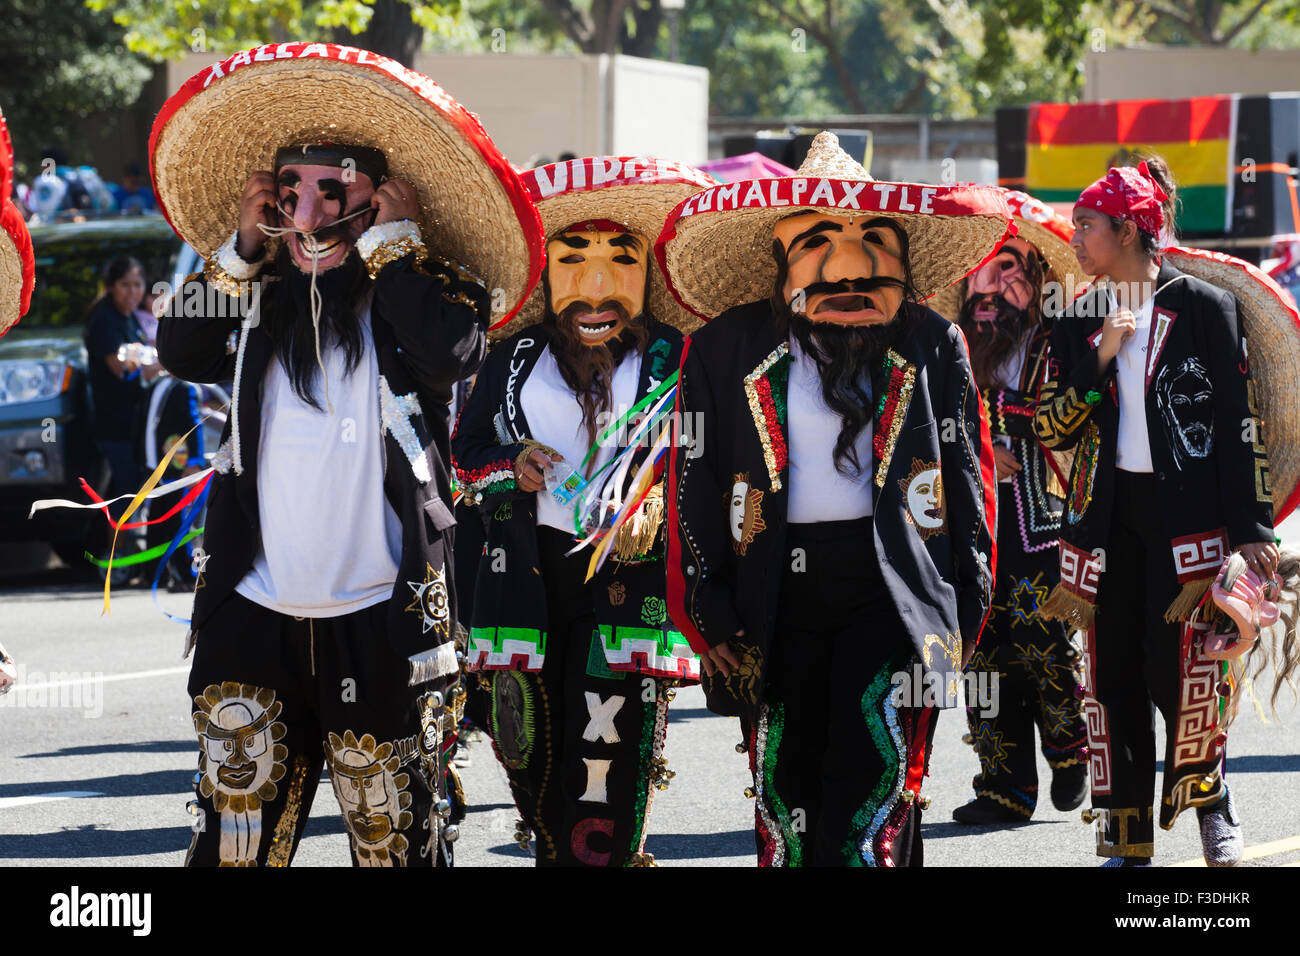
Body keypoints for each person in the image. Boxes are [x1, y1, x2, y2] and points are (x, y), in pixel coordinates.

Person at [150, 42, 542, 867]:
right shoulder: (256, 298)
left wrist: (393, 245)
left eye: (335, 192)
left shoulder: (428, 291)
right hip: (256, 607)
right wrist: (242, 244)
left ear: (381, 202)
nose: (309, 214)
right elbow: (180, 347)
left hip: (383, 612)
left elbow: (456, 351)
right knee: (233, 838)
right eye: (289, 194)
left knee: (392, 840)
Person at [660, 131, 1008, 866]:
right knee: (784, 787)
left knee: (873, 780)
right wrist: (709, 603)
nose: (849, 269)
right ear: (783, 261)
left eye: (873, 244)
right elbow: (694, 477)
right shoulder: (724, 347)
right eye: (819, 243)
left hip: (893, 584)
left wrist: (967, 605)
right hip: (771, 589)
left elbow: (967, 475)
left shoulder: (931, 343)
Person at [452, 156, 710, 866]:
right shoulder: (512, 357)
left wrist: (655, 500)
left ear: (646, 274)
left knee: (607, 753)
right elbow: (465, 452)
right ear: (544, 272)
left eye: (619, 262)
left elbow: (712, 461)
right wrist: (513, 465)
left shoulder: (679, 358)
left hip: (628, 586)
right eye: (574, 262)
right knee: (526, 750)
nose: (596, 290)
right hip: (524, 583)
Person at [1033, 158, 1284, 866]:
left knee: (1187, 676)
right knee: (1111, 682)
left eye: (1087, 225)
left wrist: (1254, 529)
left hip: (1189, 526)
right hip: (1103, 525)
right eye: (1076, 225)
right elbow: (1050, 429)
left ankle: (1214, 810)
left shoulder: (1204, 307)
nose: (1075, 237)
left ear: (1130, 229)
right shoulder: (1078, 317)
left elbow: (1240, 425)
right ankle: (1124, 835)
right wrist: (1099, 359)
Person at [932, 191, 1091, 824]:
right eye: (980, 271)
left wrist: (1000, 429)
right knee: (979, 648)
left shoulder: (1060, 341)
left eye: (1008, 270)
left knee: (1039, 636)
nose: (989, 287)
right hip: (970, 524)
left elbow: (1071, 415)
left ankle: (1070, 748)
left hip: (1038, 522)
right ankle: (1004, 784)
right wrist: (982, 441)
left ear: (1041, 280)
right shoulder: (954, 344)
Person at [83, 257, 159, 518]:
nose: (132, 291)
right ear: (112, 286)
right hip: (115, 425)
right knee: (125, 495)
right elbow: (122, 367)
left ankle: (124, 551)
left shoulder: (130, 318)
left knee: (131, 491)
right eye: (125, 285)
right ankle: (117, 552)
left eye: (137, 285)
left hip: (135, 424)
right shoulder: (105, 320)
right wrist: (166, 363)